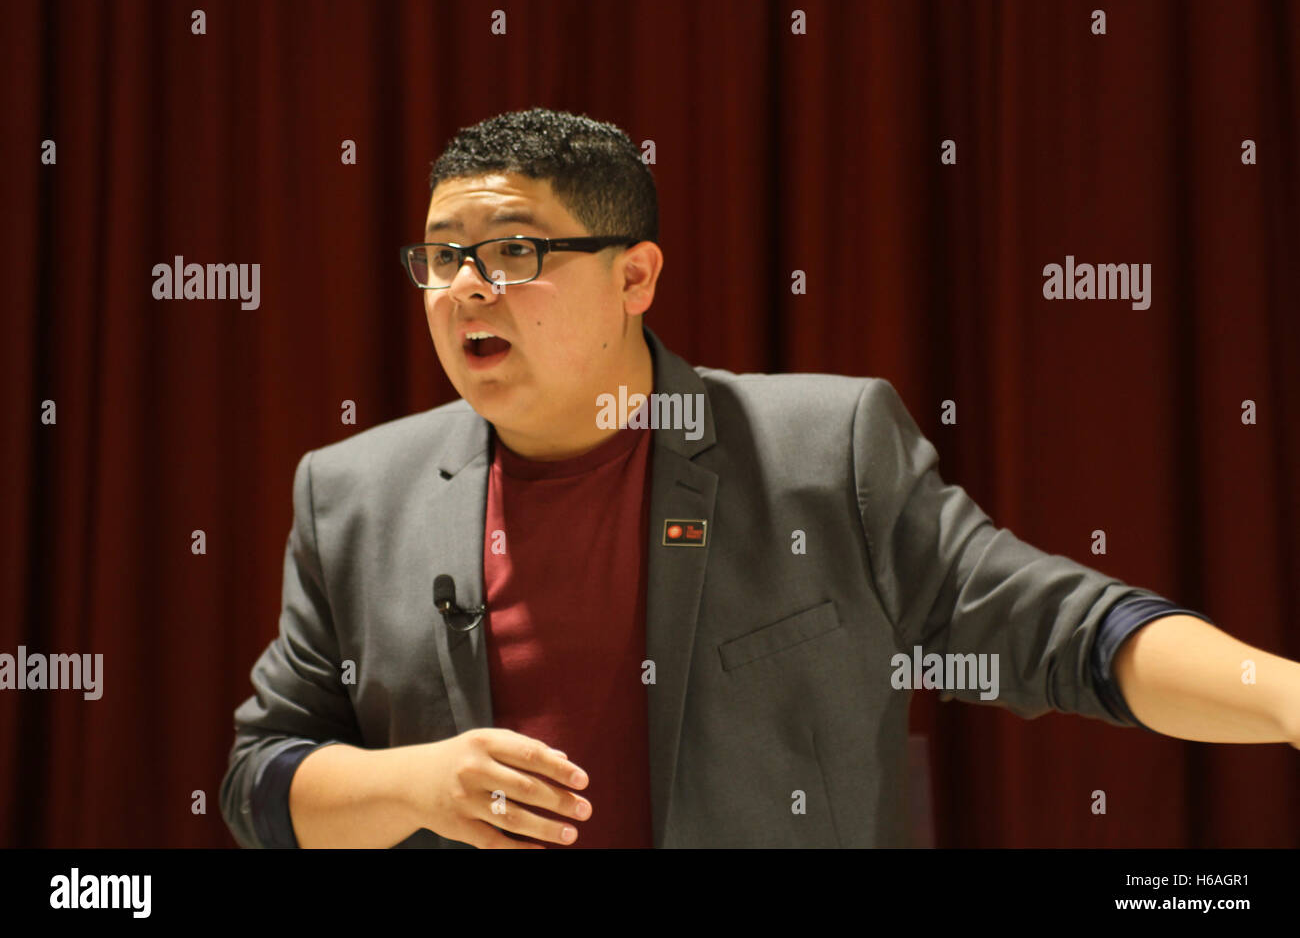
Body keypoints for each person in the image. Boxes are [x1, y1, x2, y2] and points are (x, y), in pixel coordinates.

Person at [219, 107, 1300, 849]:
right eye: (441, 255)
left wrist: (1284, 697)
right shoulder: (352, 491)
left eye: (511, 250)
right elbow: (258, 780)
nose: (465, 287)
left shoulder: (819, 448)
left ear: (634, 273)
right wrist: (412, 784)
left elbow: (1062, 630)